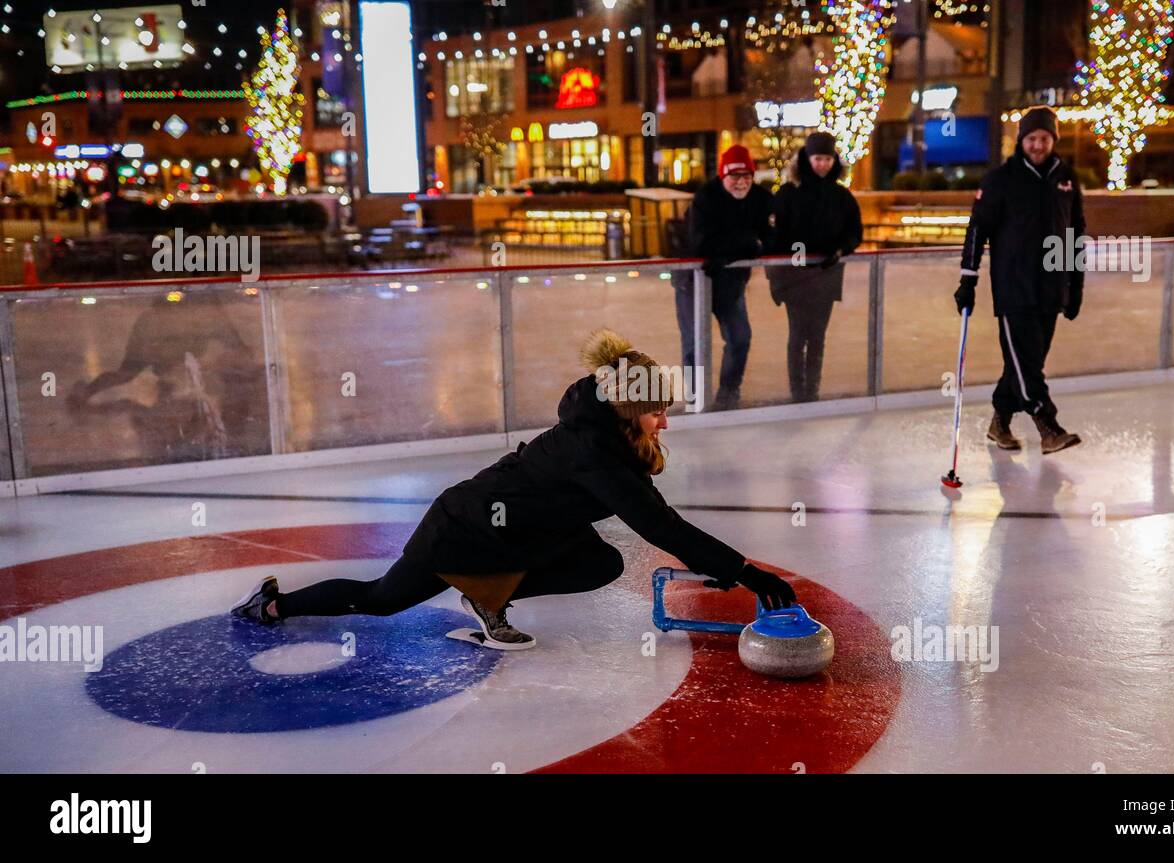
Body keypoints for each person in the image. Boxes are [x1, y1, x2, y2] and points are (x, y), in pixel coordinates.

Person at [232, 329, 797, 650]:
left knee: (599, 562)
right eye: (656, 413)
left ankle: (490, 597)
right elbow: (660, 524)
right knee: (383, 600)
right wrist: (747, 571)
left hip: (527, 528)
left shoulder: (610, 428)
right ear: (628, 409)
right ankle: (274, 605)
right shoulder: (595, 453)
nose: (665, 425)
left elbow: (655, 517)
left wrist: (728, 565)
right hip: (467, 525)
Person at [955, 105, 1084, 454]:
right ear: (1021, 140)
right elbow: (977, 229)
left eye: (1044, 138)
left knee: (1025, 364)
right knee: (1027, 364)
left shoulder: (1065, 179)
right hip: (1014, 287)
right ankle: (1048, 426)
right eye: (1031, 139)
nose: (1038, 145)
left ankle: (999, 422)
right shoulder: (1001, 180)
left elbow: (1075, 234)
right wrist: (968, 279)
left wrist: (1075, 287)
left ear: (1053, 140)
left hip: (1052, 287)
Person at [672, 144, 772, 411]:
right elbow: (702, 246)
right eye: (734, 177)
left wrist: (743, 248)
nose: (741, 183)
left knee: (740, 337)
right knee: (694, 342)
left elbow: (771, 238)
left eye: (747, 177)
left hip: (730, 282)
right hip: (693, 282)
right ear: (722, 176)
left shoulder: (760, 199)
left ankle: (729, 392)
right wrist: (748, 244)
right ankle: (696, 397)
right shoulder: (705, 199)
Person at [769, 131, 863, 403]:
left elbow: (855, 232)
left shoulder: (841, 197)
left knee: (818, 336)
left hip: (826, 276)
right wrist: (777, 271)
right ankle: (798, 392)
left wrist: (840, 250)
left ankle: (813, 390)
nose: (822, 164)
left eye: (827, 159)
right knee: (798, 334)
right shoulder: (789, 194)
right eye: (817, 158)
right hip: (795, 278)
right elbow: (777, 235)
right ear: (806, 159)